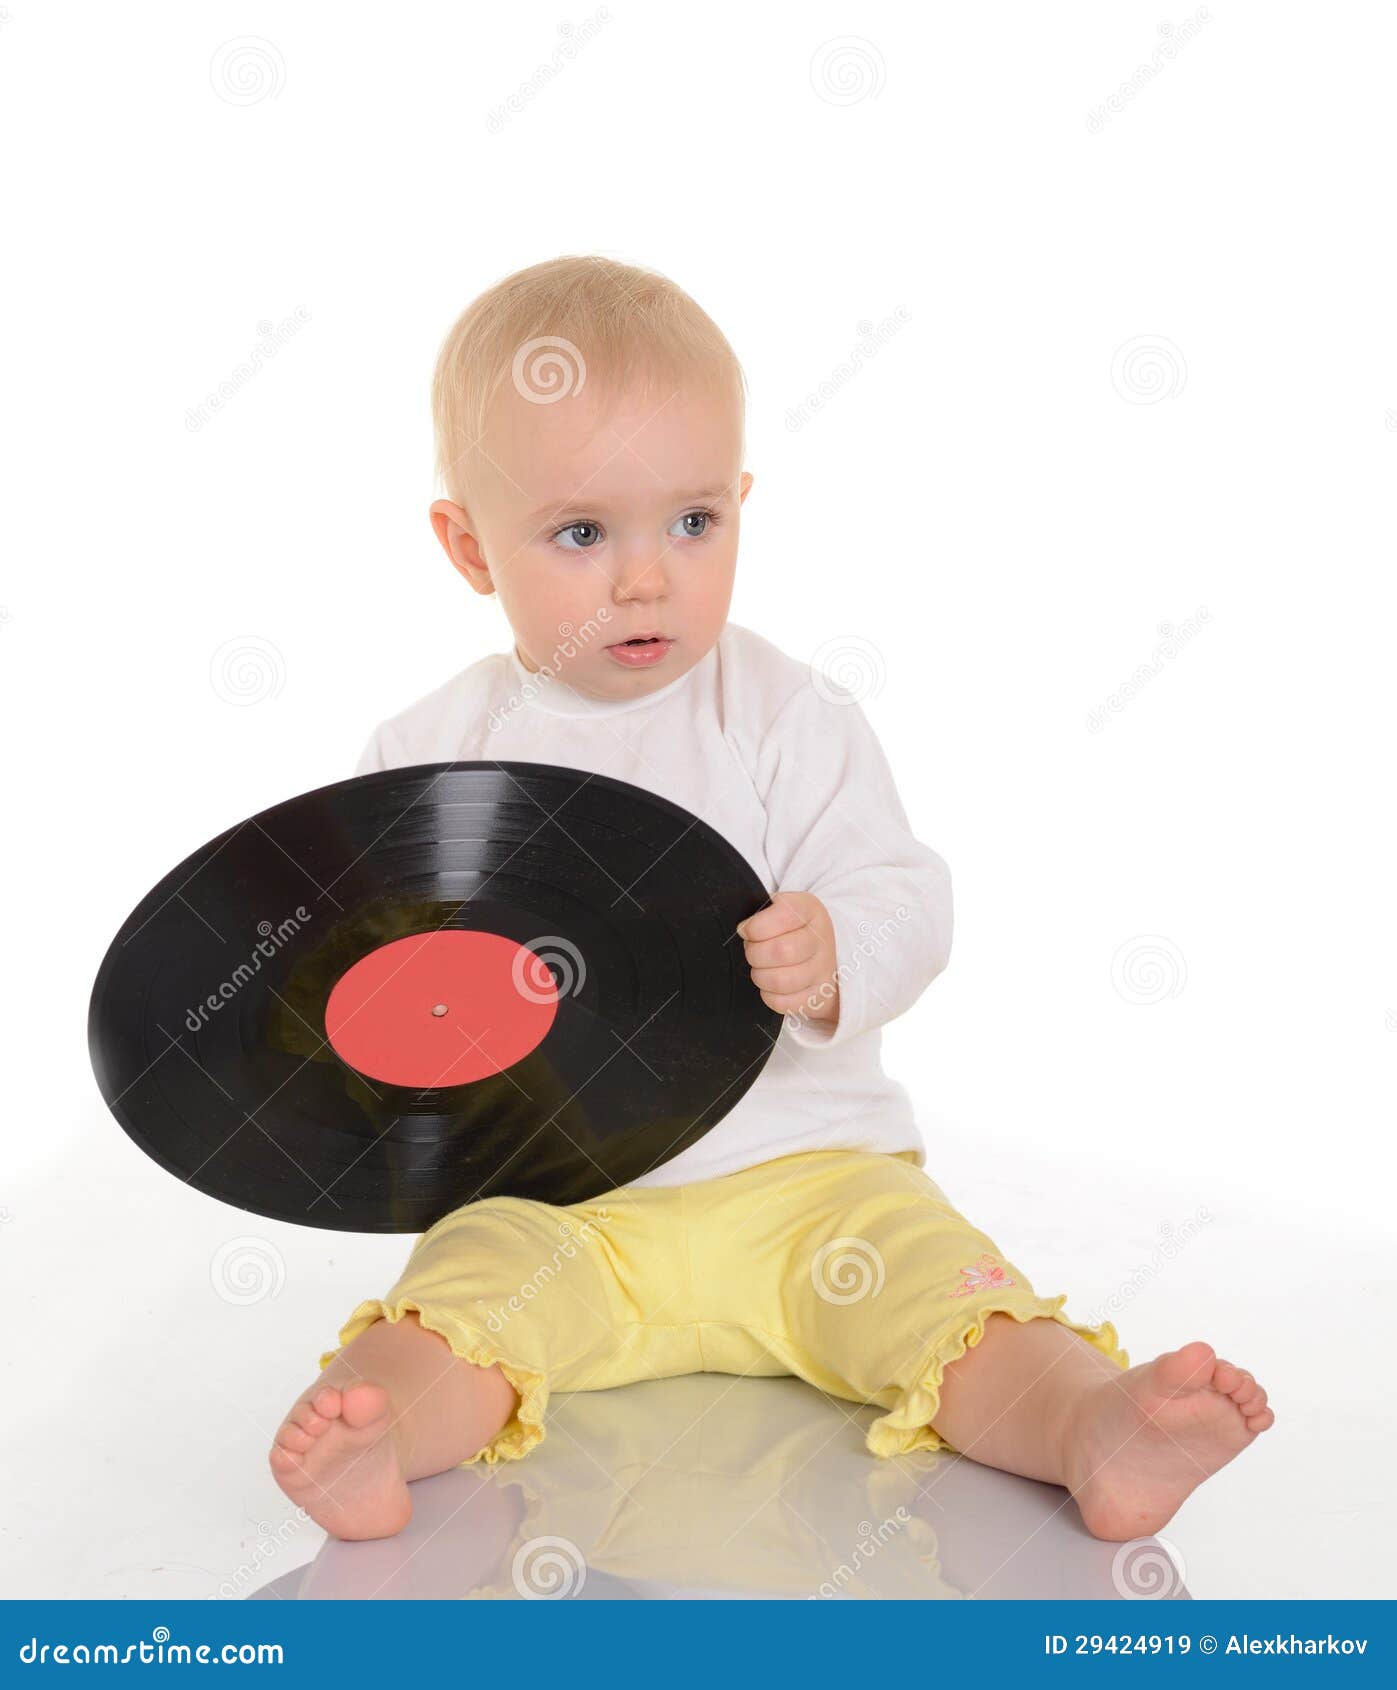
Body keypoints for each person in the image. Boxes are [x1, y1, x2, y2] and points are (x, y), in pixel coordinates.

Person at [269, 256, 1272, 1543]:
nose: (646, 578)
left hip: (811, 1187)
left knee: (946, 1299)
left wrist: (841, 944)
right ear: (467, 545)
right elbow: (363, 975)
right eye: (582, 533)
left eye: (692, 522)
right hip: (562, 1200)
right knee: (464, 1299)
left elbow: (903, 890)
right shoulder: (433, 758)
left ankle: (1091, 1428)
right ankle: (377, 1433)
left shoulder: (783, 717)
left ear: (741, 503)